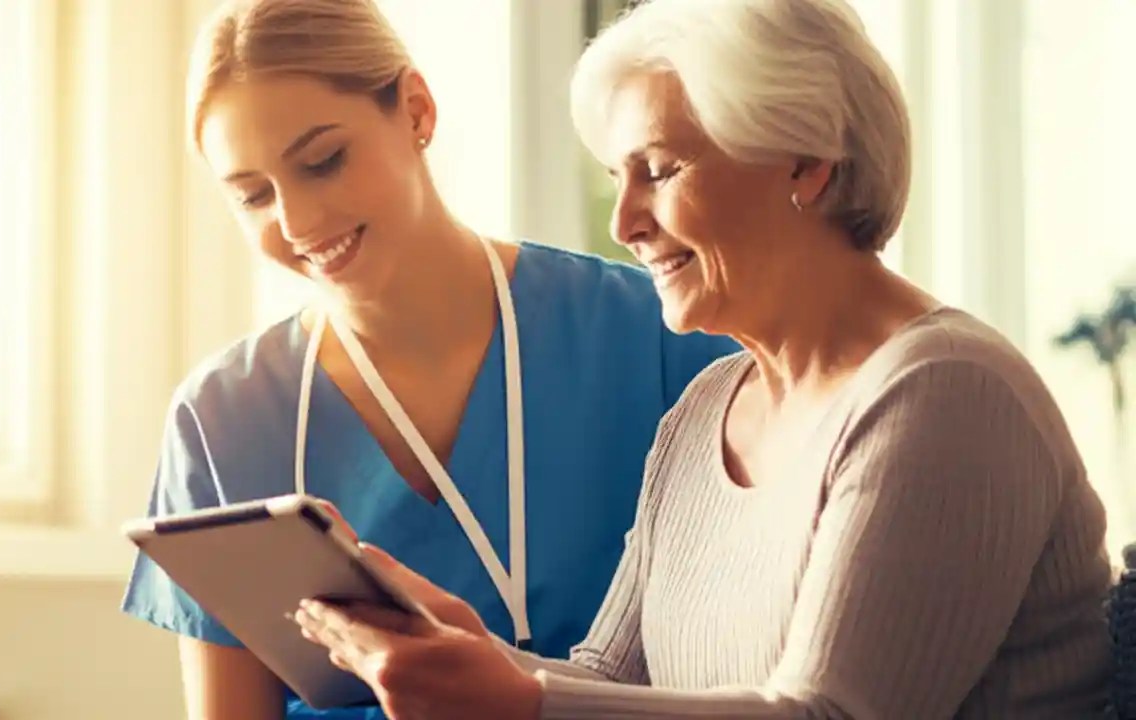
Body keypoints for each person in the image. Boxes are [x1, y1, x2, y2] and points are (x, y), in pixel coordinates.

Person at [292, 0, 1116, 717]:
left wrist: (522, 702)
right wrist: (474, 653)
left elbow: (833, 715)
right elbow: (608, 682)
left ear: (806, 159)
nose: (625, 222)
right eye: (618, 176)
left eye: (660, 170)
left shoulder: (946, 393)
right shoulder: (708, 405)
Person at [119, 0, 739, 718]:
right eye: (253, 196)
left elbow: (754, 671)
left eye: (323, 162)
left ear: (416, 110)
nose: (297, 223)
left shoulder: (662, 342)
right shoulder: (223, 421)